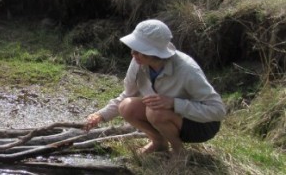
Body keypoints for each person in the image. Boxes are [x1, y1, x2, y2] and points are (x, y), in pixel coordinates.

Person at [83, 19, 225, 158]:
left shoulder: (187, 70)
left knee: (155, 111)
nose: (133, 53)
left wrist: (175, 104)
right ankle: (159, 142)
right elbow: (127, 95)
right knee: (126, 106)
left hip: (200, 125)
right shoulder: (138, 62)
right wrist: (101, 115)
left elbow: (217, 111)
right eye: (133, 49)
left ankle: (178, 153)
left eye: (139, 50)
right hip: (166, 116)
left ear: (155, 53)